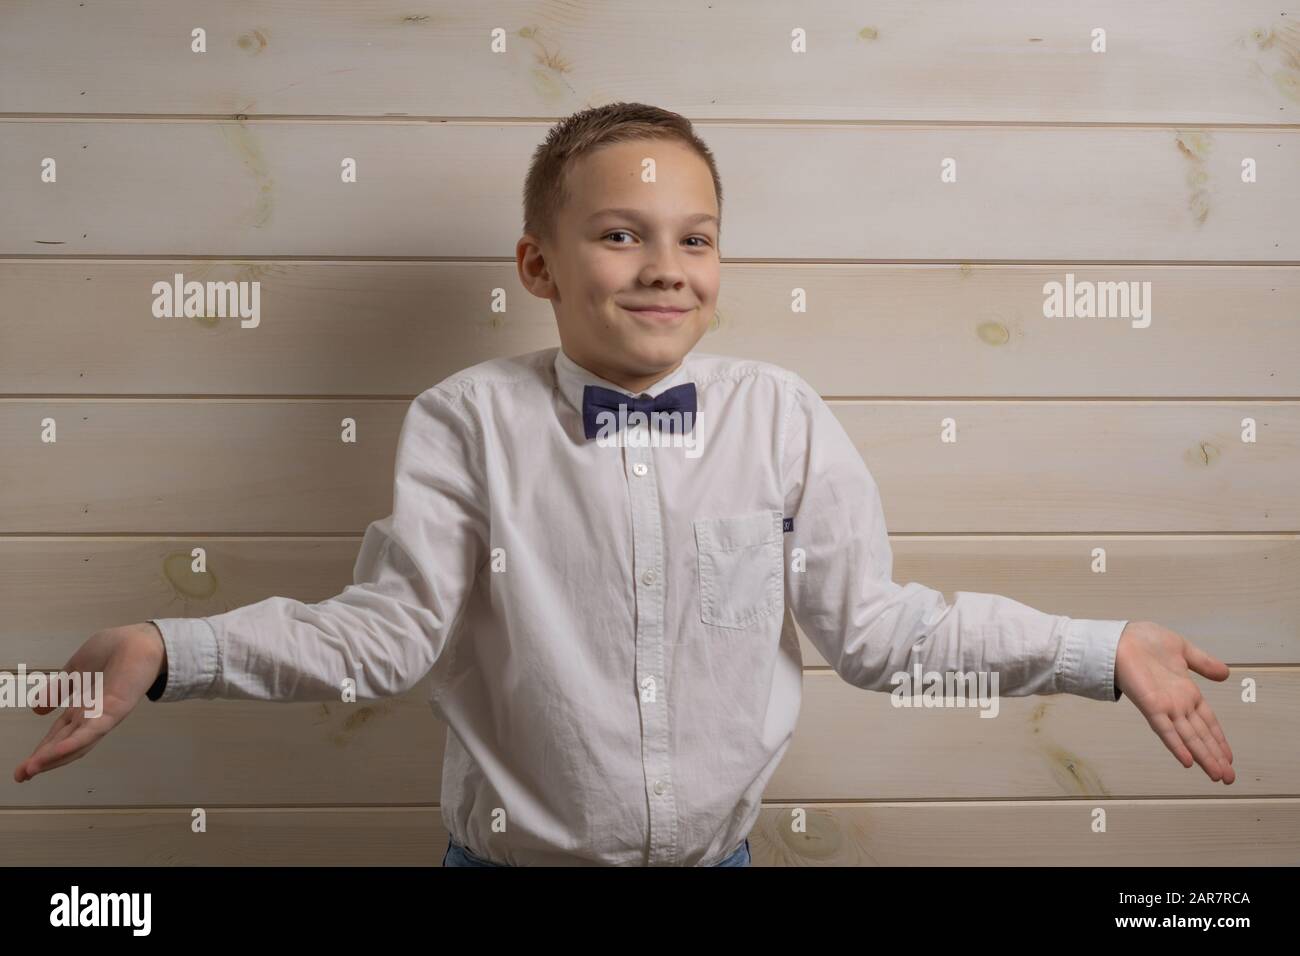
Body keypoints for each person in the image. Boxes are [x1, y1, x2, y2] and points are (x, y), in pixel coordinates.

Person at [14, 102, 1235, 867]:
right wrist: (170, 646)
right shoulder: (465, 419)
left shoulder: (782, 418)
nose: (664, 267)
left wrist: (1096, 643)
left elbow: (878, 630)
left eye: (693, 236)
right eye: (619, 233)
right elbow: (384, 635)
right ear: (538, 263)